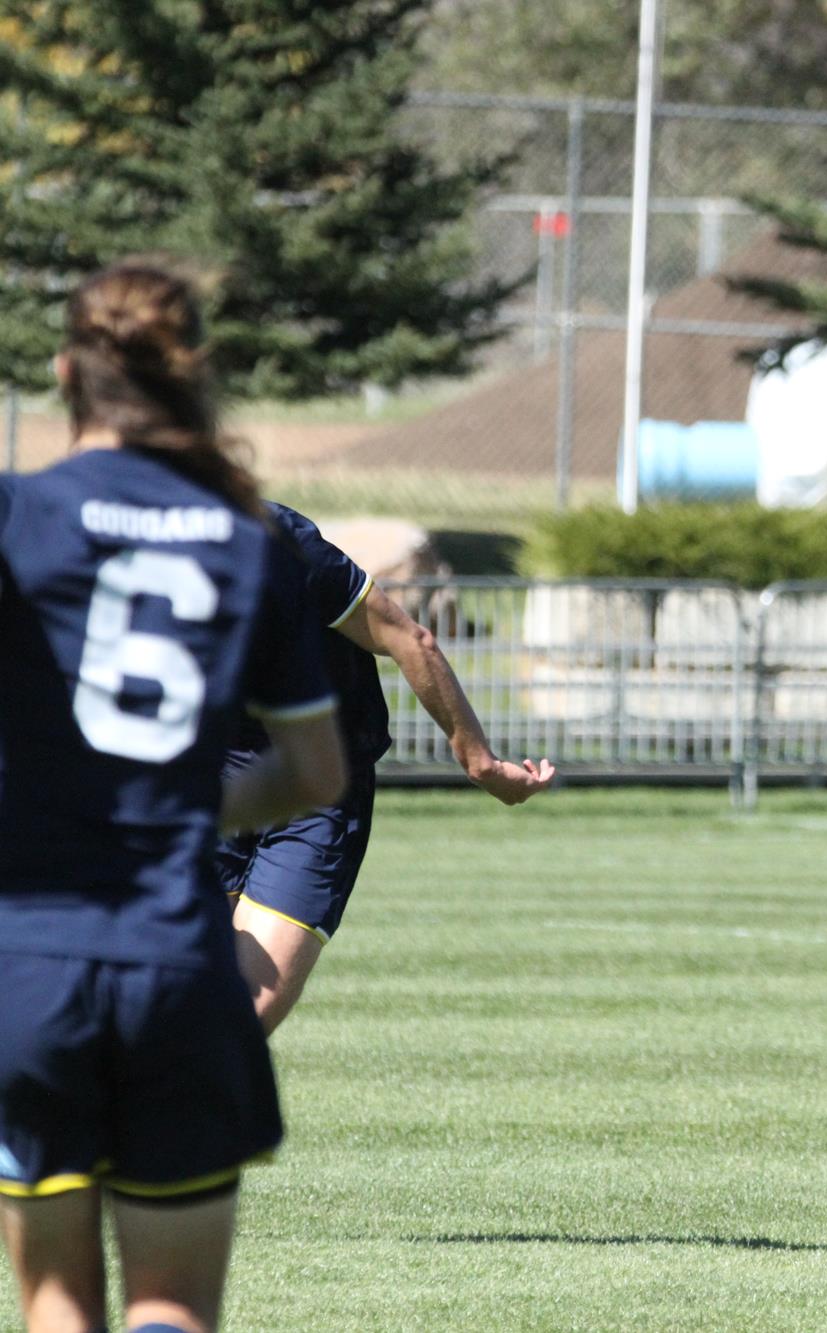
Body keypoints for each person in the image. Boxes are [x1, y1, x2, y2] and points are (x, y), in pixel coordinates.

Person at [0, 263, 346, 1333]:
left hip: (31, 969)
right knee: (175, 1310)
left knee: (59, 1301)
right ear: (195, 375)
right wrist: (176, 814)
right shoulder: (249, 539)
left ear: (65, 374)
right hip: (183, 969)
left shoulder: (15, 518)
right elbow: (314, 776)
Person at [219, 506, 555, 1034]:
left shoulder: (278, 544)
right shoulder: (105, 553)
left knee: (240, 1017)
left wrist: (481, 762)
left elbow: (408, 638)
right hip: (205, 788)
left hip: (317, 789)